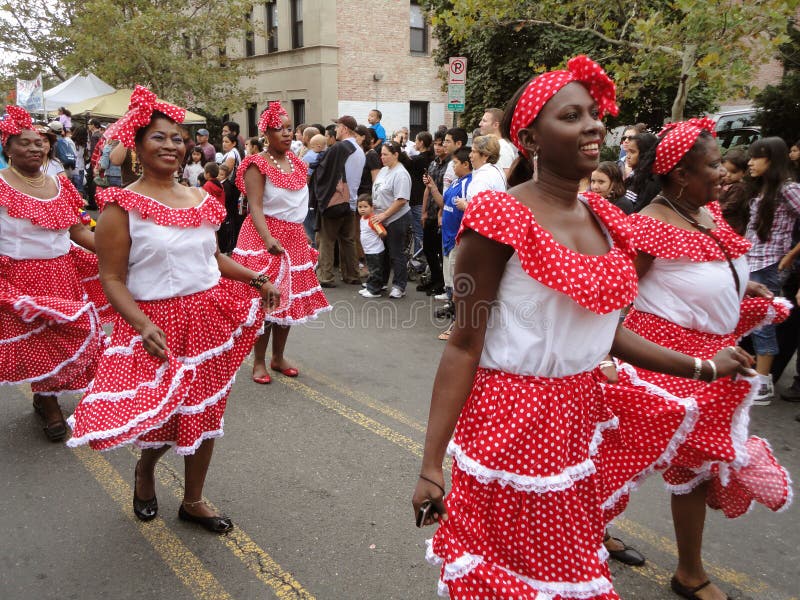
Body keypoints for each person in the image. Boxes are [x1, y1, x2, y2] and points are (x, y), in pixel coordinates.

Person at [411, 55, 755, 600]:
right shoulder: (499, 218)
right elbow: (463, 344)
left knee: (565, 576)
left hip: (579, 421)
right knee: (517, 582)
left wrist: (703, 367)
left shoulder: (607, 217)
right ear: (530, 138)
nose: (593, 125)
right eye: (571, 116)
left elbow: (605, 332)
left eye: (594, 113)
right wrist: (432, 465)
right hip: (512, 424)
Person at [67, 86, 281, 533]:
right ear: (137, 147)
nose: (170, 145)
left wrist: (256, 278)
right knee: (165, 415)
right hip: (155, 324)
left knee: (205, 410)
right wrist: (142, 324)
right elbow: (111, 278)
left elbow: (212, 259)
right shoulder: (119, 208)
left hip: (208, 317)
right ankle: (146, 470)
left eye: (177, 138)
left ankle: (193, 500)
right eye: (159, 138)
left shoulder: (201, 199)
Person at [620, 118, 793, 600]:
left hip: (710, 356)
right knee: (620, 457)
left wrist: (743, 286)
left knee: (693, 465)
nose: (724, 172)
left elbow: (711, 271)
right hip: (660, 362)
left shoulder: (707, 211)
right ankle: (591, 535)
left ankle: (689, 572)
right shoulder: (649, 226)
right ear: (679, 174)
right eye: (713, 164)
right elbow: (614, 299)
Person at [0, 105, 106, 442]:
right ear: (7, 148)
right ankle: (49, 404)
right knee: (41, 343)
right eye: (24, 143)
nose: (35, 148)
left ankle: (48, 396)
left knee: (68, 337)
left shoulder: (60, 185)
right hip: (20, 277)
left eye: (40, 143)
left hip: (63, 272)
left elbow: (79, 233)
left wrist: (119, 250)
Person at [233, 102, 331, 384]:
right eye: (280, 129)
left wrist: (301, 234)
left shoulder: (299, 163)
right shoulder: (257, 164)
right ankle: (259, 362)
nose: (287, 134)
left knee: (287, 302)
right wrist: (267, 239)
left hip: (293, 235)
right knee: (266, 300)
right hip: (264, 235)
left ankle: (278, 357)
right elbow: (255, 206)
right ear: (266, 133)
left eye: (290, 129)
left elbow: (297, 204)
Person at [744, 137, 800, 402]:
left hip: (769, 265)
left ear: (773, 159)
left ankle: (763, 382)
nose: (751, 162)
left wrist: (790, 255)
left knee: (763, 324)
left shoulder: (788, 189)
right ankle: (751, 376)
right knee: (747, 322)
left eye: (758, 157)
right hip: (751, 261)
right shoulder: (763, 188)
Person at [423, 146, 472, 340]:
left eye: (456, 163)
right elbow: (444, 204)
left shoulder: (470, 183)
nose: (453, 166)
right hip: (447, 239)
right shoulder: (456, 182)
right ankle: (454, 318)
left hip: (457, 239)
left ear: (466, 164)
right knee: (450, 284)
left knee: (457, 285)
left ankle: (457, 326)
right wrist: (433, 187)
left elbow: (472, 210)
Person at [312, 115, 365, 287]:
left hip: (335, 200)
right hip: (351, 201)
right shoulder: (359, 150)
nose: (335, 130)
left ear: (344, 128)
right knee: (348, 240)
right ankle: (352, 274)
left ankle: (326, 276)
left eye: (337, 126)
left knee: (327, 239)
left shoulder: (340, 148)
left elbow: (325, 171)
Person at [371, 141, 412, 299]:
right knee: (384, 253)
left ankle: (399, 285)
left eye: (386, 154)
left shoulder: (400, 173)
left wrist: (384, 214)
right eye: (381, 154)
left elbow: (401, 200)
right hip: (382, 217)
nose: (382, 157)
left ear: (396, 154)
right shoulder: (383, 170)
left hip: (396, 218)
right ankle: (382, 282)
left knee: (396, 253)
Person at [417, 130, 449, 298]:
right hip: (429, 212)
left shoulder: (451, 164)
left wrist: (441, 212)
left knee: (441, 252)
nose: (438, 147)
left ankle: (442, 283)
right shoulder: (433, 163)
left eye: (441, 144)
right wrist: (423, 211)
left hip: (442, 212)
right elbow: (427, 188)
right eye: (435, 144)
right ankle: (435, 278)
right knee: (428, 249)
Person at [408, 131, 434, 257]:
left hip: (416, 198)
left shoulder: (418, 159)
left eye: (416, 140)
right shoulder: (431, 158)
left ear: (421, 142)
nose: (414, 143)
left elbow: (406, 160)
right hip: (424, 197)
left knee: (418, 231)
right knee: (421, 230)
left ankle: (418, 258)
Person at [356, 194, 386, 298]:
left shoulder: (372, 219)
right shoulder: (362, 218)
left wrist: (379, 235)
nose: (362, 209)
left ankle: (375, 291)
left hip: (375, 250)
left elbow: (383, 232)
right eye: (360, 207)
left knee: (375, 271)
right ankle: (370, 286)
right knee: (371, 269)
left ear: (372, 207)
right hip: (369, 250)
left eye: (365, 207)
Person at [624, 131, 660, 210]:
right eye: (627, 152)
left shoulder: (651, 180)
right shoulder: (635, 174)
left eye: (632, 152)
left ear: (645, 154)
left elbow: (639, 209)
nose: (628, 156)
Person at [478, 107, 518, 178]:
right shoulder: (494, 145)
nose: (480, 124)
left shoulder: (503, 148)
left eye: (484, 121)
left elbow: (505, 177)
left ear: (496, 125)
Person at [718, 148, 750, 235]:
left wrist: (714, 210)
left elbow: (730, 206)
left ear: (744, 172)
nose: (728, 175)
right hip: (719, 220)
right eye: (725, 170)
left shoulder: (739, 188)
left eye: (733, 172)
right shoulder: (722, 181)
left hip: (730, 225)